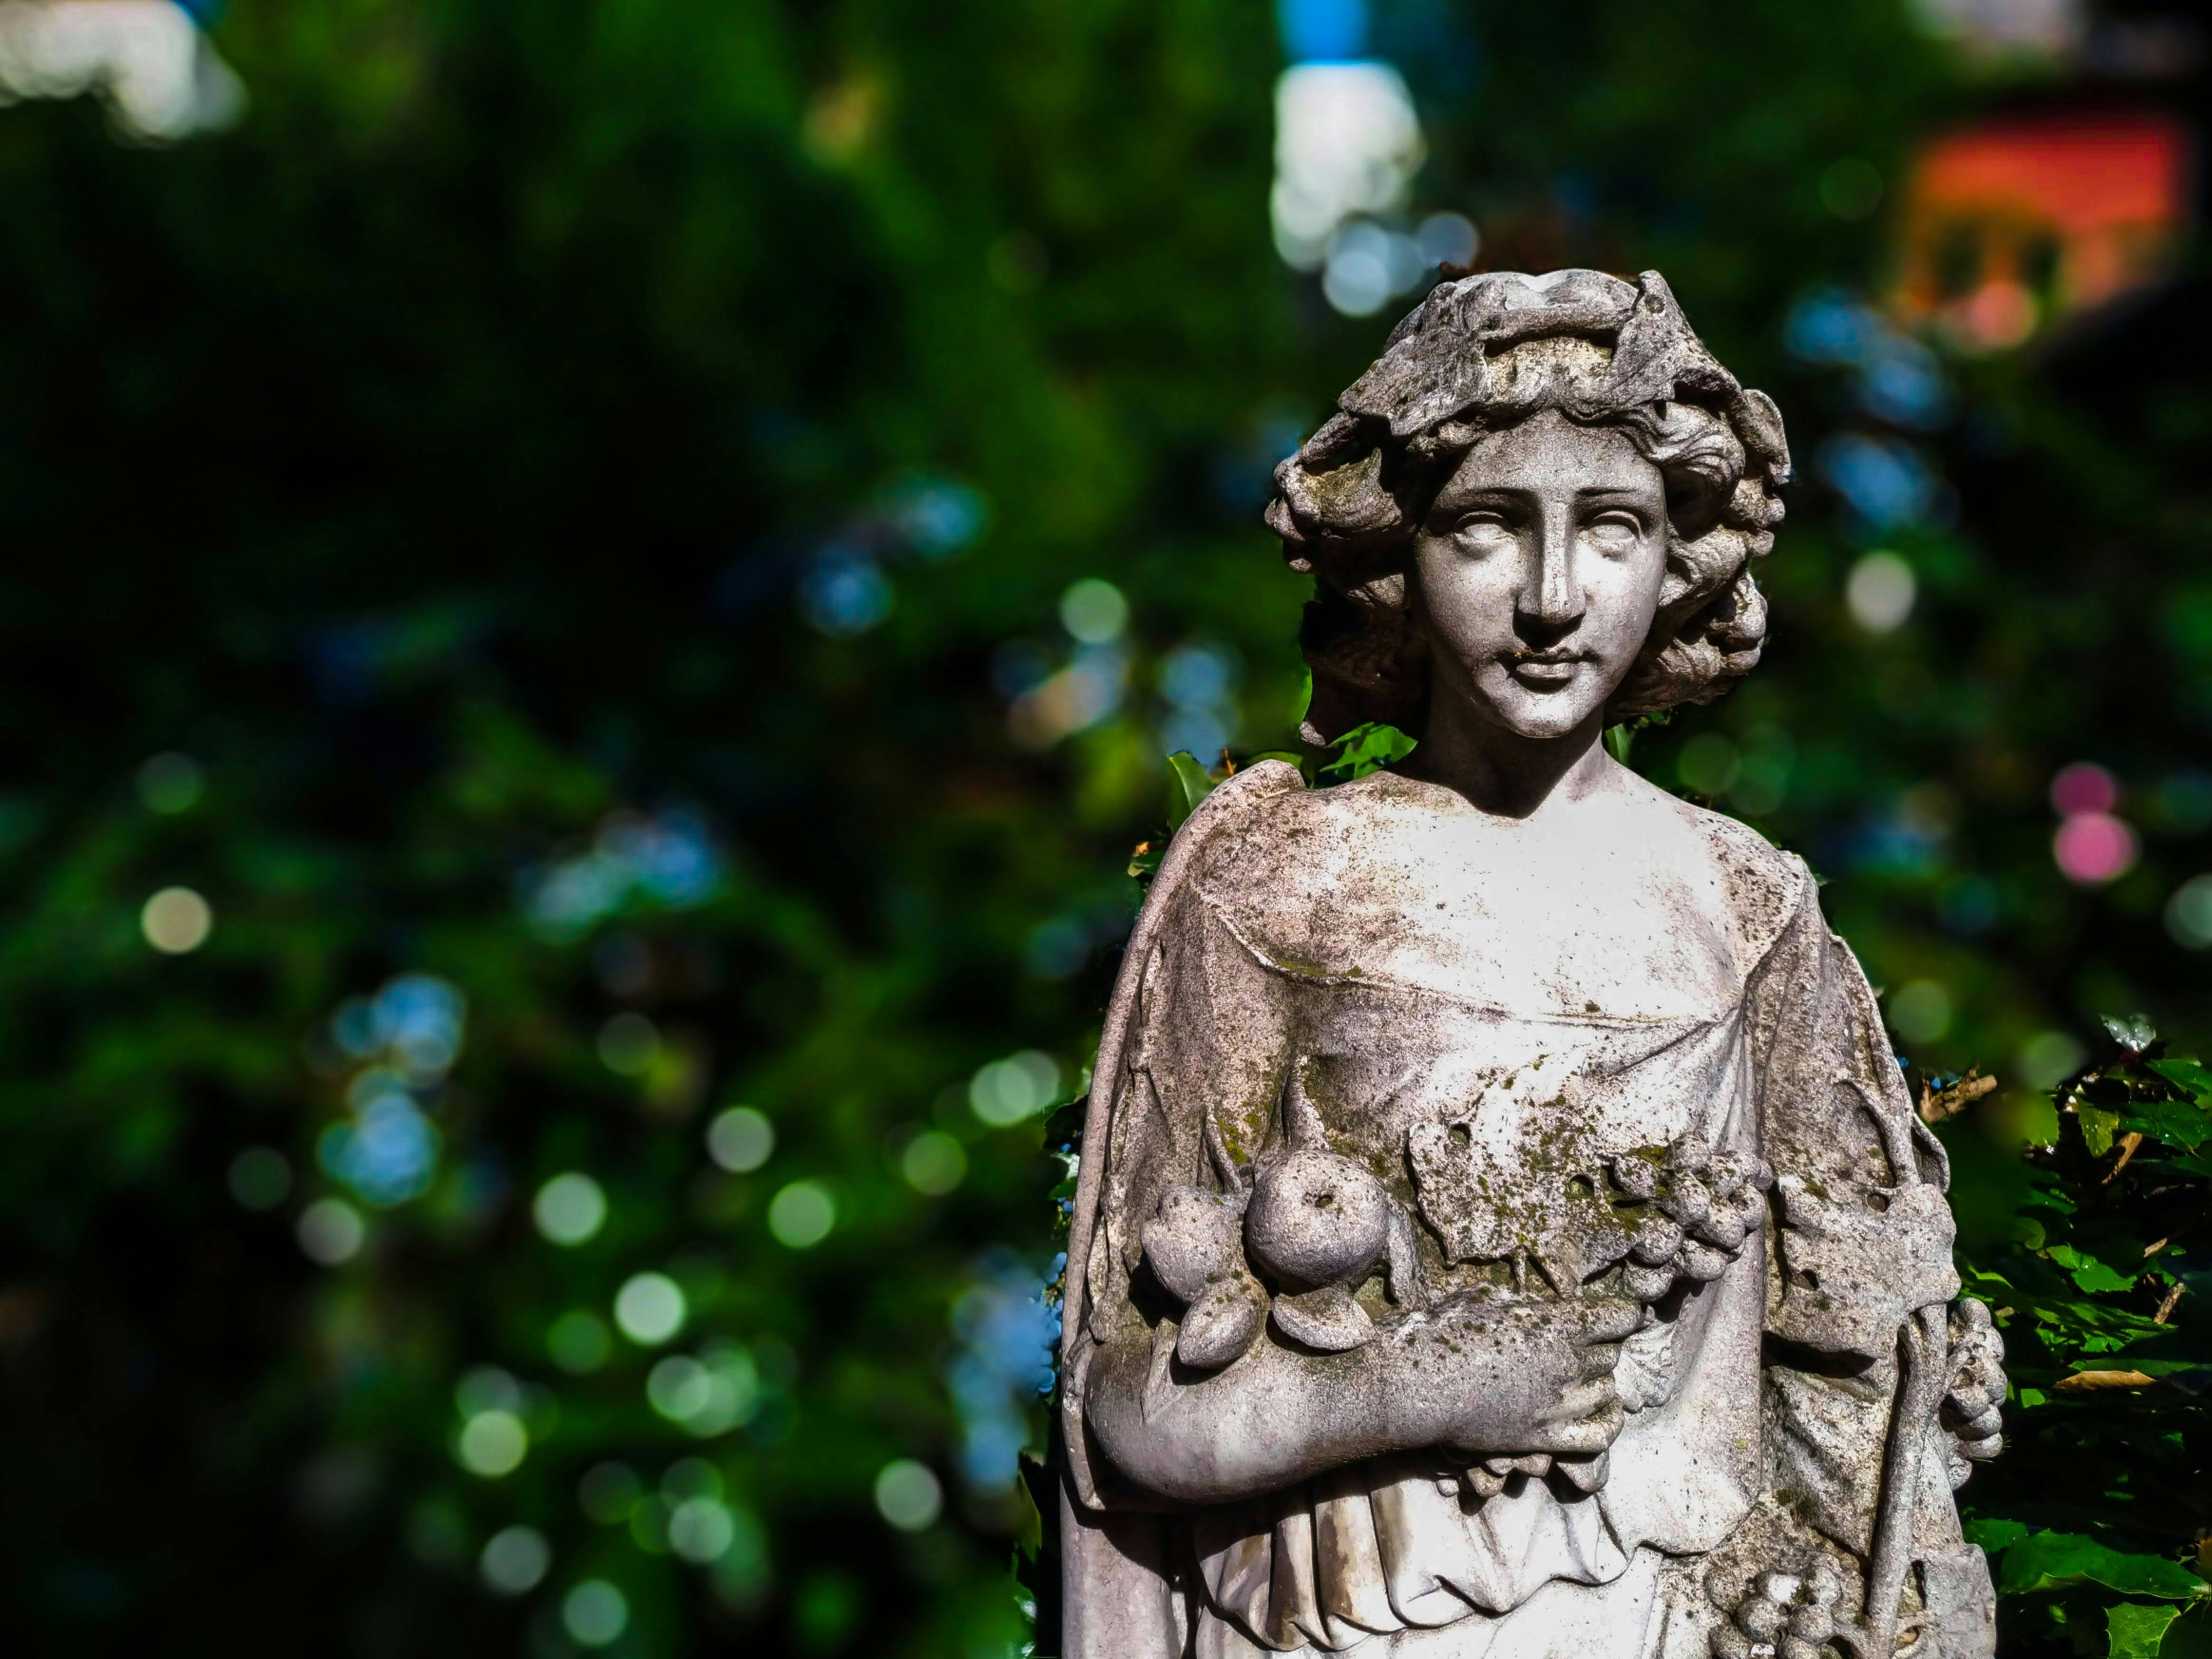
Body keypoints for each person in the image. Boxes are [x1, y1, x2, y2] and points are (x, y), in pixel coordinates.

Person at [1056, 270, 2005, 1659]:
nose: (1556, 597)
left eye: (1612, 528)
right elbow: (1130, 1408)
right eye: (1490, 527)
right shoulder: (1281, 883)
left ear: (1681, 554)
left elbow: (1851, 1356)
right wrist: (1418, 1383)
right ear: (1397, 550)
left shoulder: (1747, 909)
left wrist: (1927, 1410)